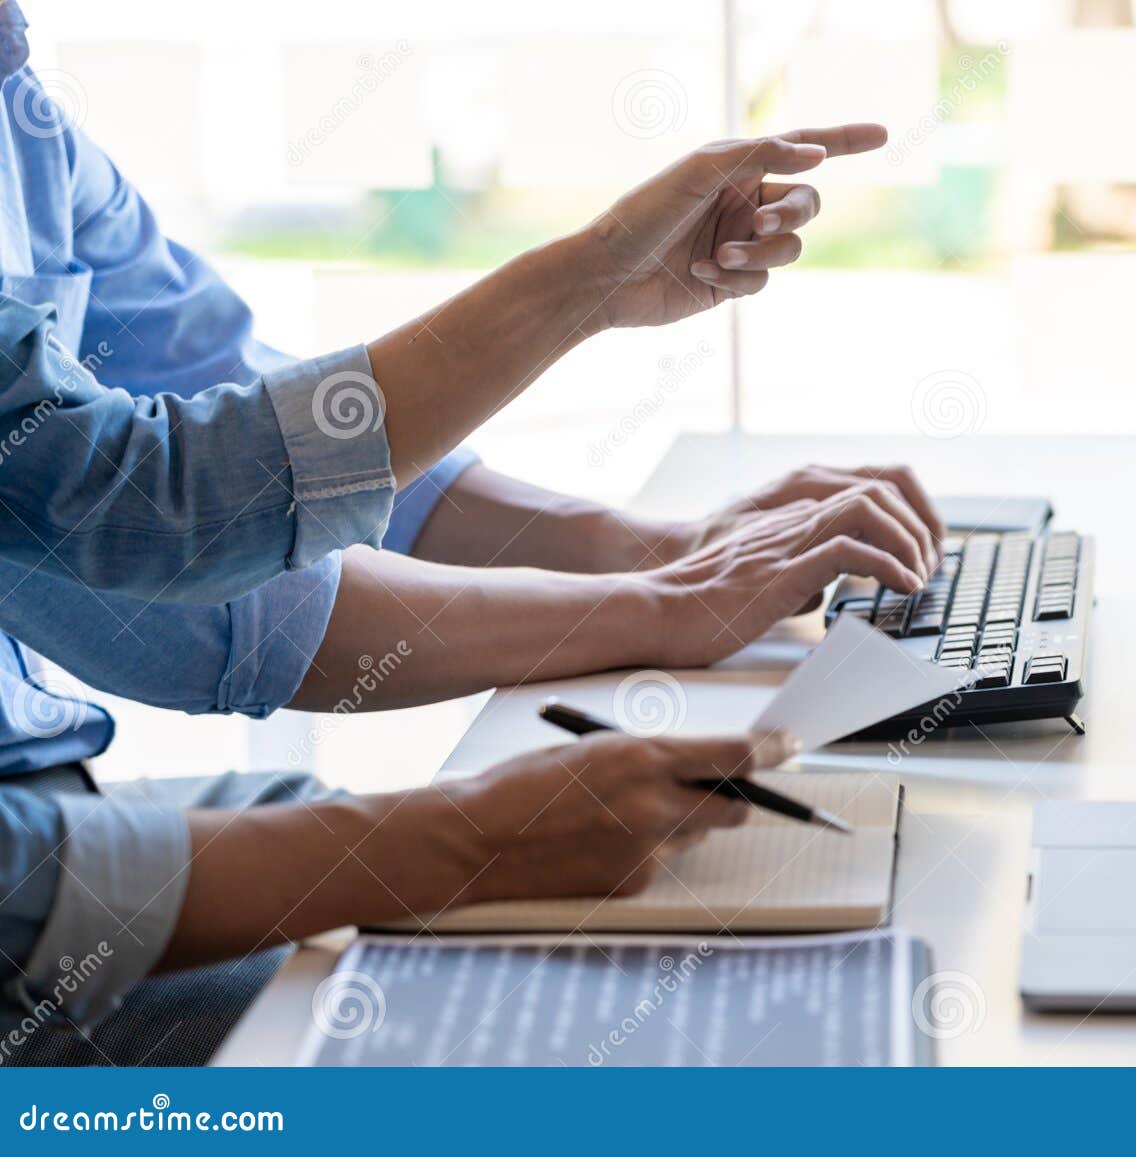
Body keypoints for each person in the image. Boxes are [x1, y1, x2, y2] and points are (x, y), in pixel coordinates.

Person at [0, 5, 943, 1064]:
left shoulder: (18, 108)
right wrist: (470, 831)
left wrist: (642, 552)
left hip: (61, 828)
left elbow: (240, 419)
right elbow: (164, 523)